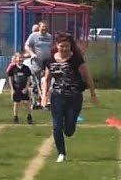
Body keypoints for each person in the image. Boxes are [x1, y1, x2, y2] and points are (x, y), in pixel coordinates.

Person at [41, 32, 98, 163]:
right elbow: (47, 79)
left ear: (71, 46)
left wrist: (93, 94)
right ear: (57, 46)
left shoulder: (77, 59)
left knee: (69, 130)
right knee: (56, 126)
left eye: (67, 46)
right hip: (57, 97)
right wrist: (44, 96)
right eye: (62, 46)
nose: (64, 49)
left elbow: (87, 77)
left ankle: (70, 125)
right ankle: (61, 153)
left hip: (74, 97)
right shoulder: (50, 60)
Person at [6, 53, 34, 125]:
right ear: (16, 59)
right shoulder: (13, 68)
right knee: (16, 103)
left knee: (27, 102)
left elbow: (28, 79)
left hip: (24, 88)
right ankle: (15, 117)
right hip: (16, 88)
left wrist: (26, 88)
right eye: (19, 58)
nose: (20, 59)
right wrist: (12, 89)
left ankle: (29, 116)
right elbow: (10, 78)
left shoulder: (26, 68)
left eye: (22, 58)